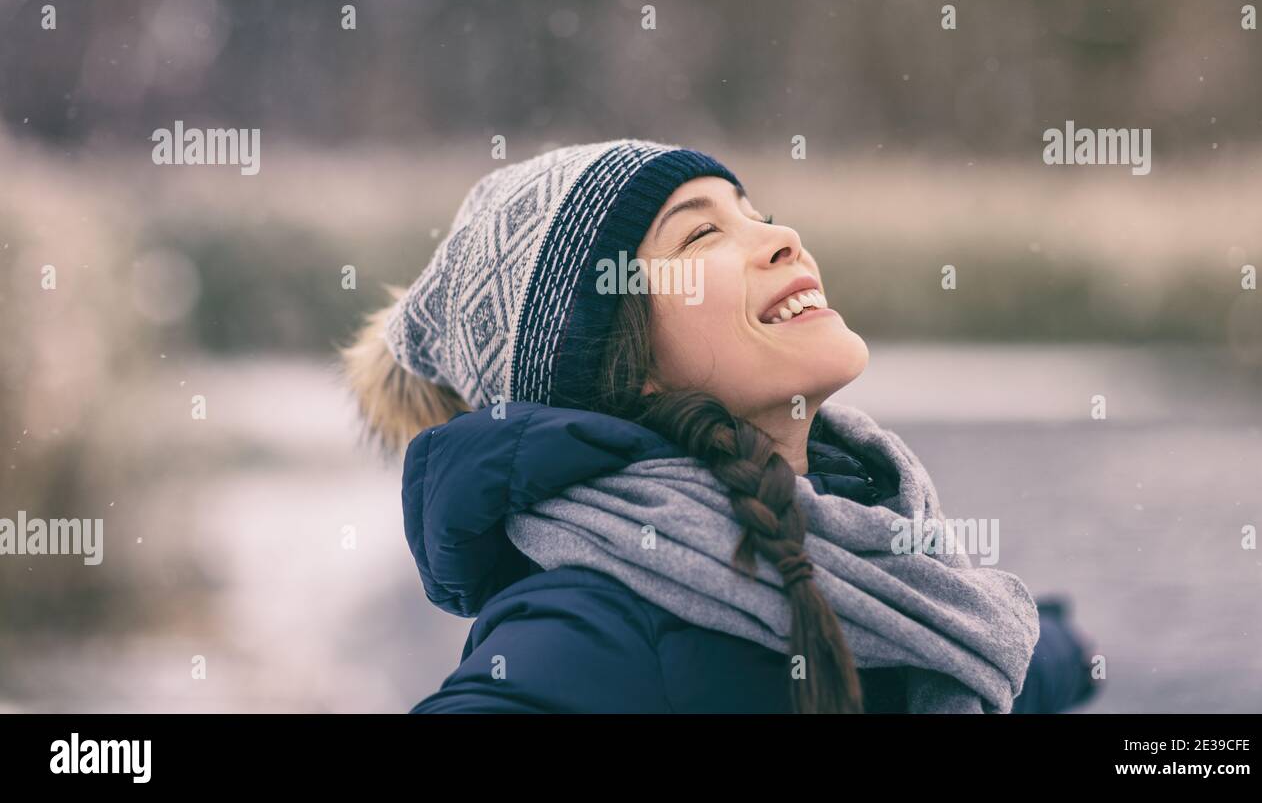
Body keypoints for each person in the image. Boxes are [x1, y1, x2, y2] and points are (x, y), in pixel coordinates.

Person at [341, 139, 1101, 713]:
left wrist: (1072, 650)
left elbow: (1002, 659)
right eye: (701, 236)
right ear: (616, 358)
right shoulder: (594, 626)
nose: (784, 238)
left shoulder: (898, 582)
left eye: (758, 216)